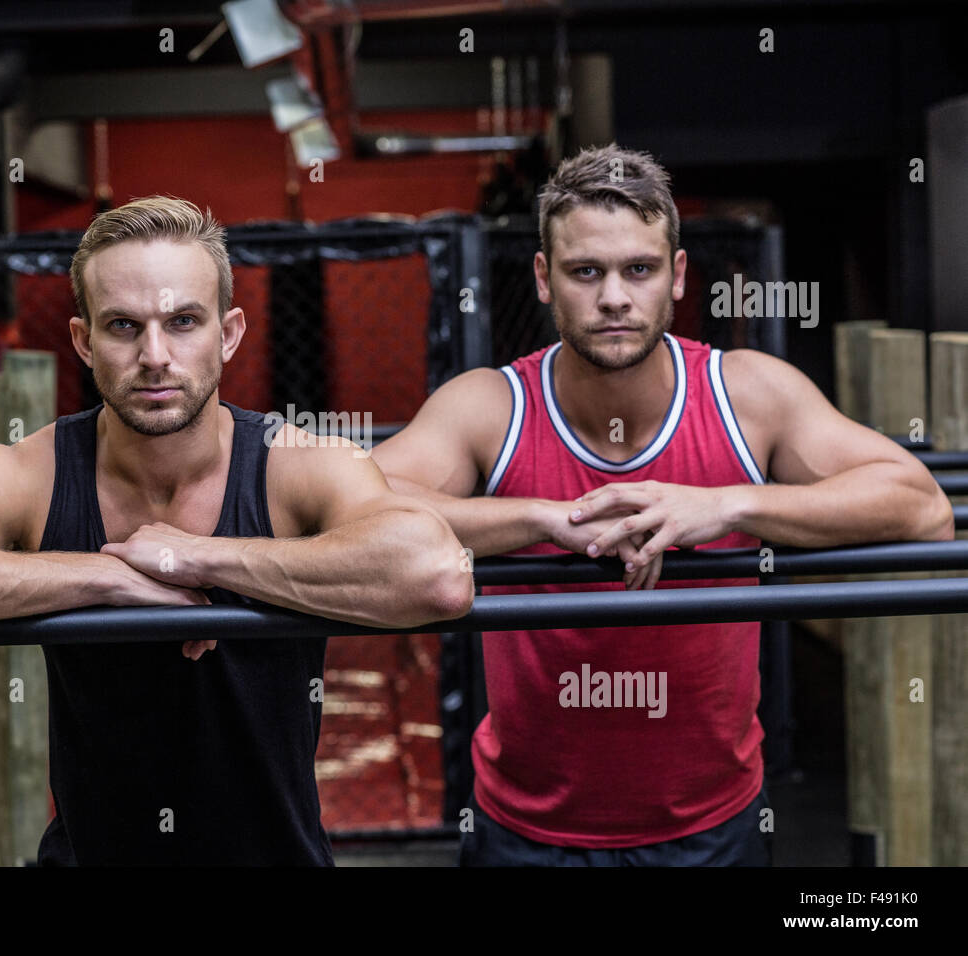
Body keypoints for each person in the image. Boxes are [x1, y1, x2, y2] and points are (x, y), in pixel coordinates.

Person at [0, 195, 473, 866]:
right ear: (84, 341)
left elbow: (434, 573)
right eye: (123, 326)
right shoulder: (30, 473)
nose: (155, 355)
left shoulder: (297, 466)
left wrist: (202, 561)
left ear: (228, 334)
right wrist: (110, 578)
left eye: (183, 321)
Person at [372, 144, 954, 866]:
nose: (614, 296)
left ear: (677, 277)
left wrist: (727, 505)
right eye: (587, 271)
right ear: (545, 280)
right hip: (524, 834)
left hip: (712, 831)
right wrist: (542, 517)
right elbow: (359, 502)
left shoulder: (746, 394)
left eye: (638, 270)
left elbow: (920, 504)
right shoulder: (492, 406)